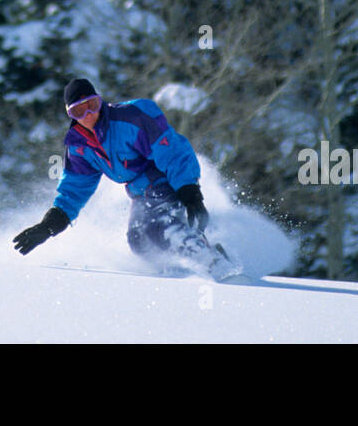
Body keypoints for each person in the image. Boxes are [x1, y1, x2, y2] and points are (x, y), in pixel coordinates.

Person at [12, 77, 240, 280]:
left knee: (158, 229)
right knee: (139, 241)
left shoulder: (133, 118)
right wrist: (49, 225)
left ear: (100, 101)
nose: (88, 114)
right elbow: (74, 190)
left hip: (164, 180)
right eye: (78, 111)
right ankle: (184, 272)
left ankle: (215, 264)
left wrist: (191, 194)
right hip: (139, 192)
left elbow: (174, 153)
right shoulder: (80, 147)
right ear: (70, 115)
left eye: (91, 105)